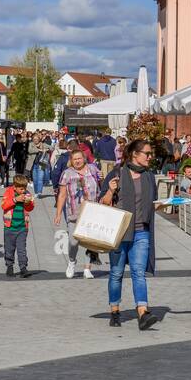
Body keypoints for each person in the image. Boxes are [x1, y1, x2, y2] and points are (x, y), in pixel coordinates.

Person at [99, 139, 160, 330]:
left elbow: (152, 202)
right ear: (135, 154)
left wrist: (162, 205)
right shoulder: (117, 173)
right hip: (119, 231)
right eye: (147, 154)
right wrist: (110, 190)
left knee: (138, 273)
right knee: (116, 273)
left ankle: (143, 312)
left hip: (141, 231)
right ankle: (115, 310)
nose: (150, 157)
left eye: (150, 154)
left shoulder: (149, 176)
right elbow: (103, 202)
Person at [54, 148, 100, 279]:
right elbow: (62, 195)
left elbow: (100, 184)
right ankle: (72, 261)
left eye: (79, 158)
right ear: (71, 161)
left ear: (84, 158)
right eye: (75, 159)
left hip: (92, 211)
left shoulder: (92, 169)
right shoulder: (67, 173)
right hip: (74, 211)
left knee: (89, 242)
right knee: (73, 242)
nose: (77, 161)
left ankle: (87, 267)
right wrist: (58, 214)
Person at [0, 173, 34, 278]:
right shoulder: (8, 192)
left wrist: (28, 203)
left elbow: (30, 208)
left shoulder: (27, 194)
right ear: (14, 187)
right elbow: (4, 205)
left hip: (22, 227)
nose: (23, 191)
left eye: (24, 188)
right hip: (9, 227)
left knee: (21, 248)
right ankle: (9, 266)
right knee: (9, 248)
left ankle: (23, 267)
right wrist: (15, 200)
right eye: (20, 189)